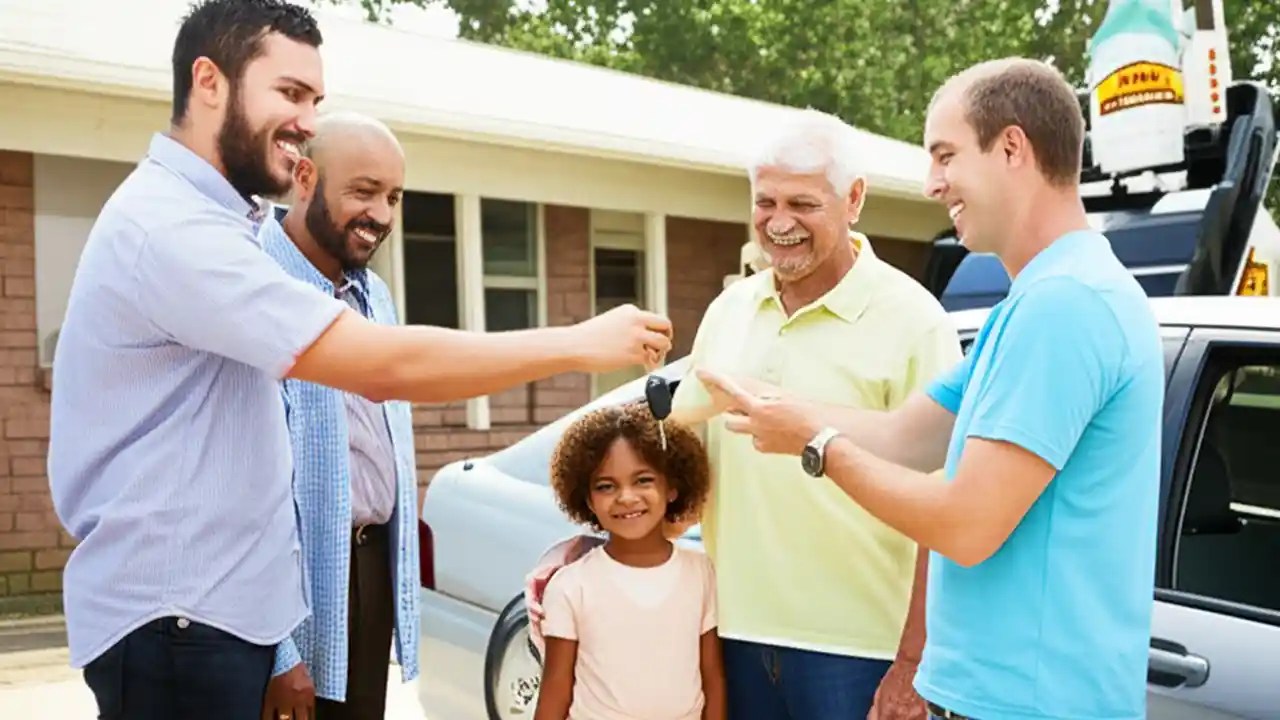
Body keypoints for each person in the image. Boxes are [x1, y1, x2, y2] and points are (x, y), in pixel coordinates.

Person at [46, 2, 671, 719]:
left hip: (211, 618)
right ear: (209, 81)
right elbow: (381, 366)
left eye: (316, 101)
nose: (308, 122)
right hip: (178, 624)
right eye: (288, 93)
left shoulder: (218, 226)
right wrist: (580, 342)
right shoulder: (173, 233)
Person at [702, 58, 1164, 720]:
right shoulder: (1031, 303)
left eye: (945, 156)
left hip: (1033, 704)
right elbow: (904, 438)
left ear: (1011, 149)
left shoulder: (1064, 307)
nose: (930, 185)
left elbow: (966, 523)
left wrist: (817, 445)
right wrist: (780, 412)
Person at [667, 108, 962, 719]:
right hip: (734, 635)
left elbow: (947, 509)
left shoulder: (916, 321)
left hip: (861, 651)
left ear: (854, 198)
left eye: (803, 204)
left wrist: (914, 659)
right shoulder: (728, 311)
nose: (779, 223)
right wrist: (595, 547)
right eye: (765, 201)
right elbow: (683, 465)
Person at [256, 111, 419, 720]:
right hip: (287, 589)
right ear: (304, 177)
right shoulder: (254, 287)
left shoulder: (376, 296)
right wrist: (279, 653)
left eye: (393, 196)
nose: (381, 213)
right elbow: (246, 498)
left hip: (368, 565)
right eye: (363, 191)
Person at [532, 401, 724, 720]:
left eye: (643, 480)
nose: (626, 497)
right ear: (588, 500)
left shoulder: (701, 572)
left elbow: (713, 677)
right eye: (606, 486)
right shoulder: (570, 585)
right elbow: (556, 685)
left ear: (672, 486)